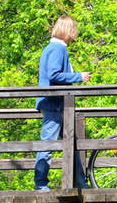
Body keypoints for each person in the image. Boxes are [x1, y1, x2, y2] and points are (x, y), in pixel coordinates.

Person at [34, 15, 91, 191]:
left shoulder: (52, 48)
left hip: (58, 104)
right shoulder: (58, 49)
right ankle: (41, 184)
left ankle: (80, 182)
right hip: (54, 104)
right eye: (73, 30)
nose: (75, 34)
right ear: (68, 31)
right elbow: (54, 75)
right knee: (48, 144)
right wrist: (78, 77)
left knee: (71, 144)